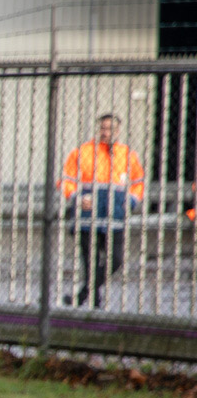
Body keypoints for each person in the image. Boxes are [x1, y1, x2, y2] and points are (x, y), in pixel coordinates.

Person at [59, 113, 143, 308]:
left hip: (115, 216)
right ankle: (94, 303)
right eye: (103, 128)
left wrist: (130, 201)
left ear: (118, 131)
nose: (106, 133)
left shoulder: (127, 154)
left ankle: (82, 295)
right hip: (87, 216)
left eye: (110, 129)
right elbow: (65, 179)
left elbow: (138, 182)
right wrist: (77, 197)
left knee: (116, 259)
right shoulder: (83, 152)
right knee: (90, 262)